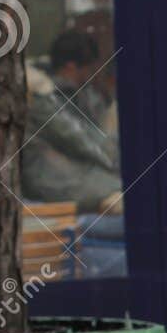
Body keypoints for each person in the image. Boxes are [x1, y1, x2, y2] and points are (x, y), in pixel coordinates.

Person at [21, 29, 123, 213]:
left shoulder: (78, 94)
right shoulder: (43, 97)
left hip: (75, 173)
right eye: (89, 70)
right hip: (56, 180)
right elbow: (79, 140)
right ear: (70, 67)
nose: (92, 76)